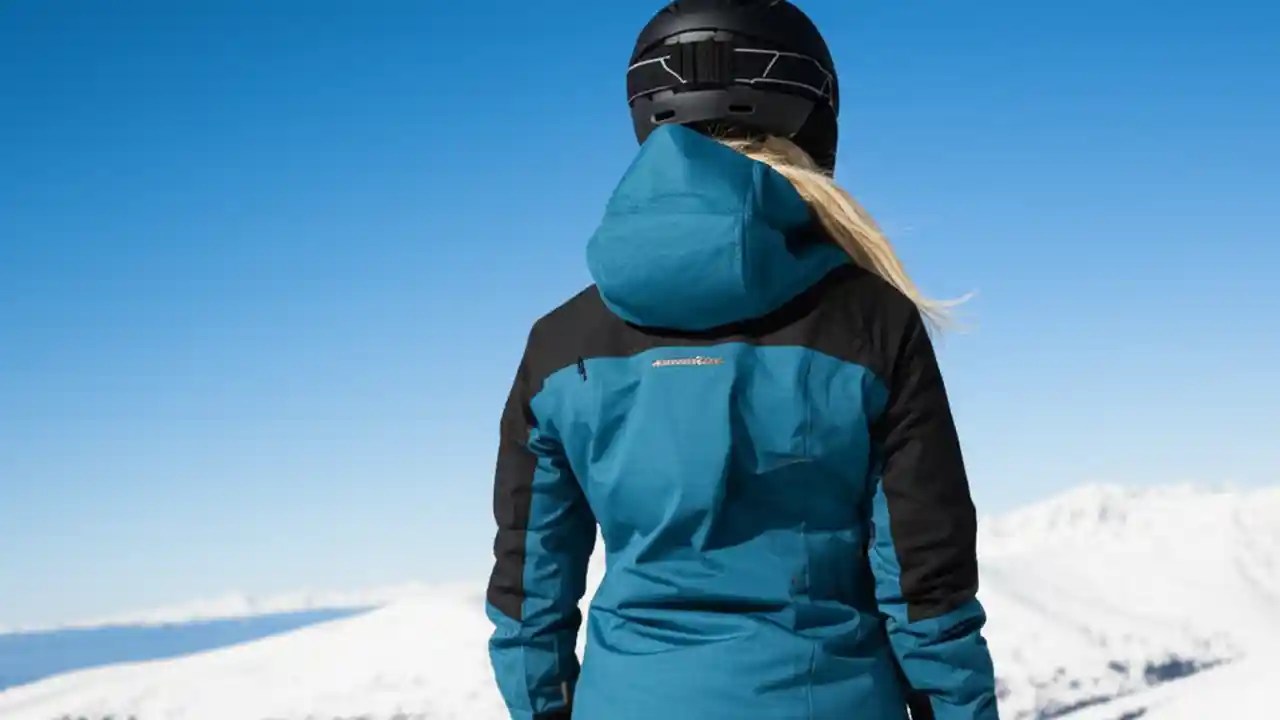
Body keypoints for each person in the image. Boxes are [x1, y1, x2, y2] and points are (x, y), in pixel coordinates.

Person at [484, 2, 998, 718]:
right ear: (812, 114)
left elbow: (528, 597)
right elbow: (927, 590)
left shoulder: (559, 346)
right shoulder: (871, 322)